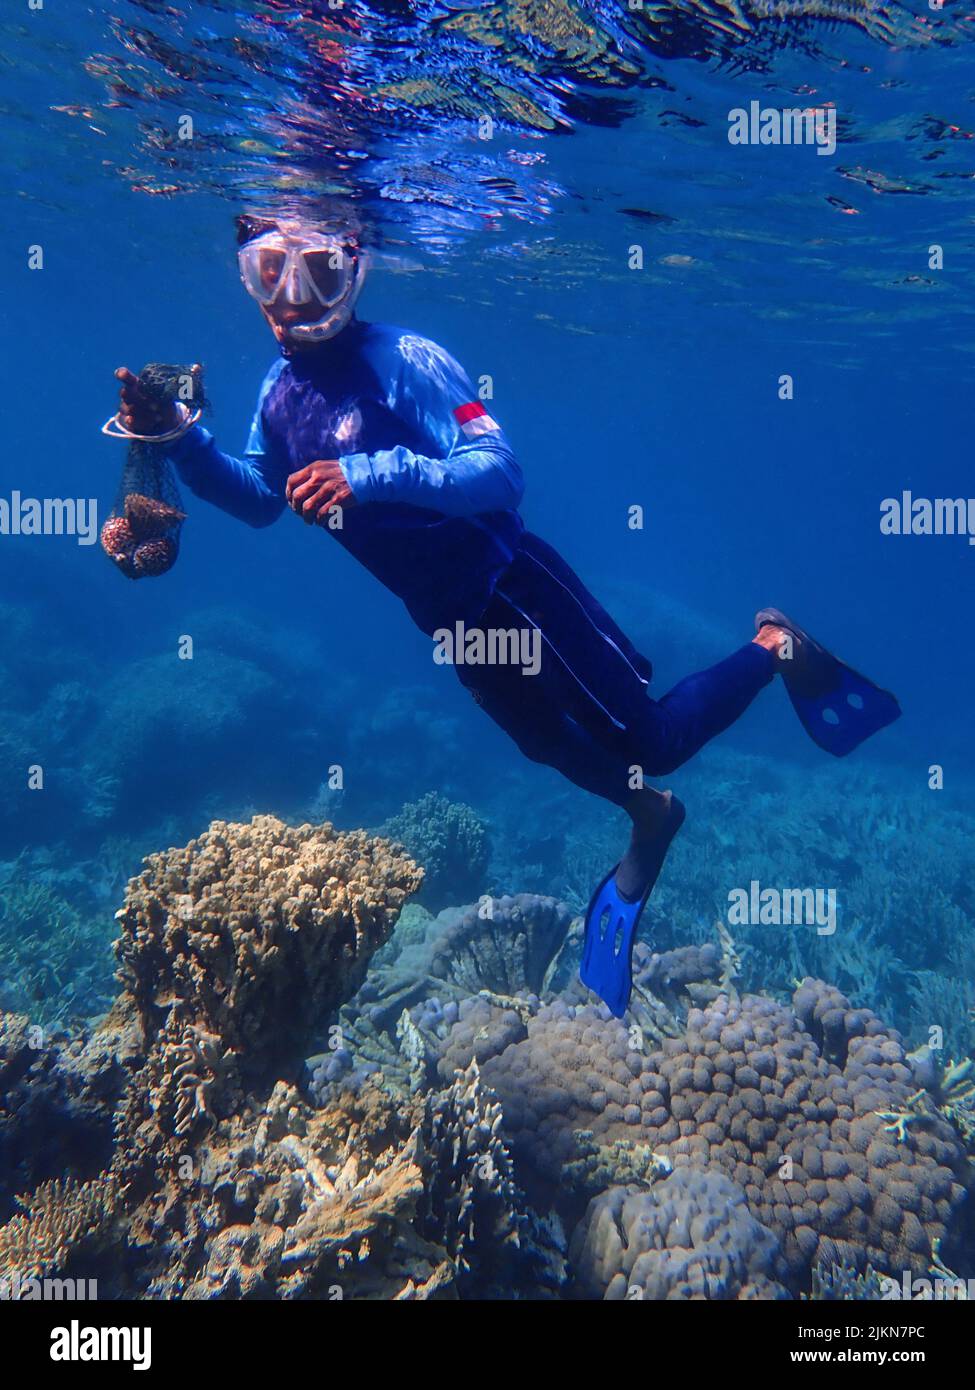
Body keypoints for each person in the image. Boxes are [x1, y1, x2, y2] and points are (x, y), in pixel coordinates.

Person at [111, 213, 899, 1015]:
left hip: (513, 585)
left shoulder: (403, 362)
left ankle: (771, 644)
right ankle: (650, 819)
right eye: (268, 268)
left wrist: (369, 472)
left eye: (313, 268)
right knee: (543, 742)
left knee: (650, 742)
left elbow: (497, 471)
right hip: (446, 615)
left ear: (354, 266)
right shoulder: (279, 394)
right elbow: (258, 500)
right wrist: (181, 441)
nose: (290, 294)